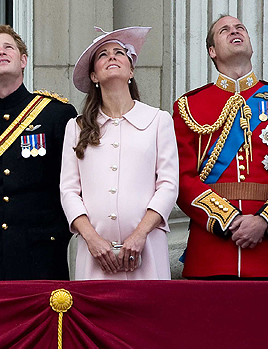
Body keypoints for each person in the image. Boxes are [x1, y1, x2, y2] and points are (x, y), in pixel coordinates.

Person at [173, 15, 268, 279]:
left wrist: (264, 221)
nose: (234, 31)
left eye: (240, 28)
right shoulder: (188, 106)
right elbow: (181, 178)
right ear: (212, 51)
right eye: (224, 30)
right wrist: (229, 220)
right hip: (211, 253)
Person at [0, 25, 77, 281]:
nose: (1, 52)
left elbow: (70, 183)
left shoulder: (56, 114)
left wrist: (56, 235)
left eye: (8, 47)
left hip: (41, 252)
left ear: (23, 61)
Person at [60, 27, 179, 280]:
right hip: (95, 255)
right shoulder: (77, 127)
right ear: (94, 75)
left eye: (119, 52)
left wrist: (140, 235)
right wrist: (91, 238)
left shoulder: (158, 120)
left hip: (147, 248)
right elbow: (69, 190)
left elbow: (168, 185)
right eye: (102, 55)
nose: (111, 56)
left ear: (131, 70)